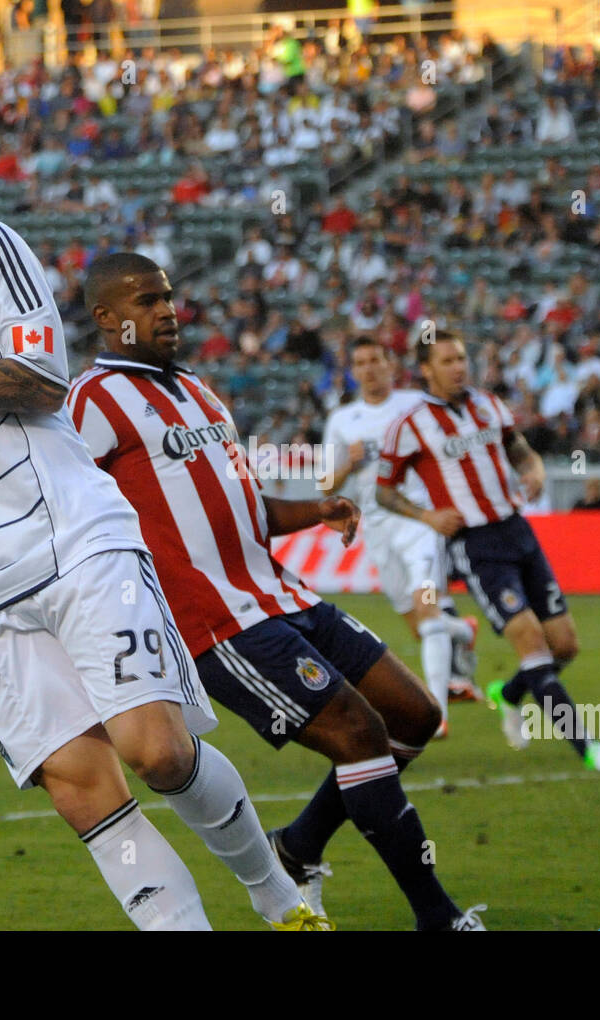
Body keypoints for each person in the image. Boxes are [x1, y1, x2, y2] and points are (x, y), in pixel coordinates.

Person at [0, 125, 322, 931]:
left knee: (159, 753)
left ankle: (277, 896)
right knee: (85, 791)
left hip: (73, 541)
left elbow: (41, 381)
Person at [68, 253, 485, 931]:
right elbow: (63, 511)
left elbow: (244, 506)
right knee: (359, 734)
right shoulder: (92, 400)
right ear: (107, 319)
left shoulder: (198, 390)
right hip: (217, 623)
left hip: (282, 596)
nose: (167, 311)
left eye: (169, 297)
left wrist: (313, 511)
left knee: (413, 715)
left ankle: (298, 847)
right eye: (146, 301)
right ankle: (438, 917)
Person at [376, 333, 600, 772]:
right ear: (426, 370)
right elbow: (383, 492)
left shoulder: (489, 405)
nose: (459, 366)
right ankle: (588, 746)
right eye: (447, 360)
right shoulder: (409, 426)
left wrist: (532, 471)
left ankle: (508, 694)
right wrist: (427, 516)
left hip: (519, 532)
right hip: (476, 547)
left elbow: (518, 449)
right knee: (531, 641)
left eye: (462, 357)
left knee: (564, 646)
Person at [319, 336, 480, 739]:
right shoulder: (343, 420)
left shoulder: (414, 406)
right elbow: (324, 483)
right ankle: (463, 631)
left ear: (391, 365)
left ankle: (436, 714)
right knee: (420, 622)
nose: (369, 368)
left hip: (420, 524)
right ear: (353, 371)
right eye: (361, 362)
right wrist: (347, 466)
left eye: (376, 360)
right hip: (378, 530)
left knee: (427, 615)